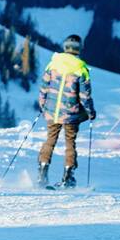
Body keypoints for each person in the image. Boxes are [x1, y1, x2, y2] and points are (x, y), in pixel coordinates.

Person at [36, 34, 95, 188]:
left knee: (50, 140)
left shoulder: (53, 64)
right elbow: (85, 96)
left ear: (65, 47)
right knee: (70, 143)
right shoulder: (81, 69)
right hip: (71, 114)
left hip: (51, 111)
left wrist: (43, 106)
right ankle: (68, 177)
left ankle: (42, 174)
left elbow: (44, 88)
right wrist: (90, 112)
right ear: (79, 49)